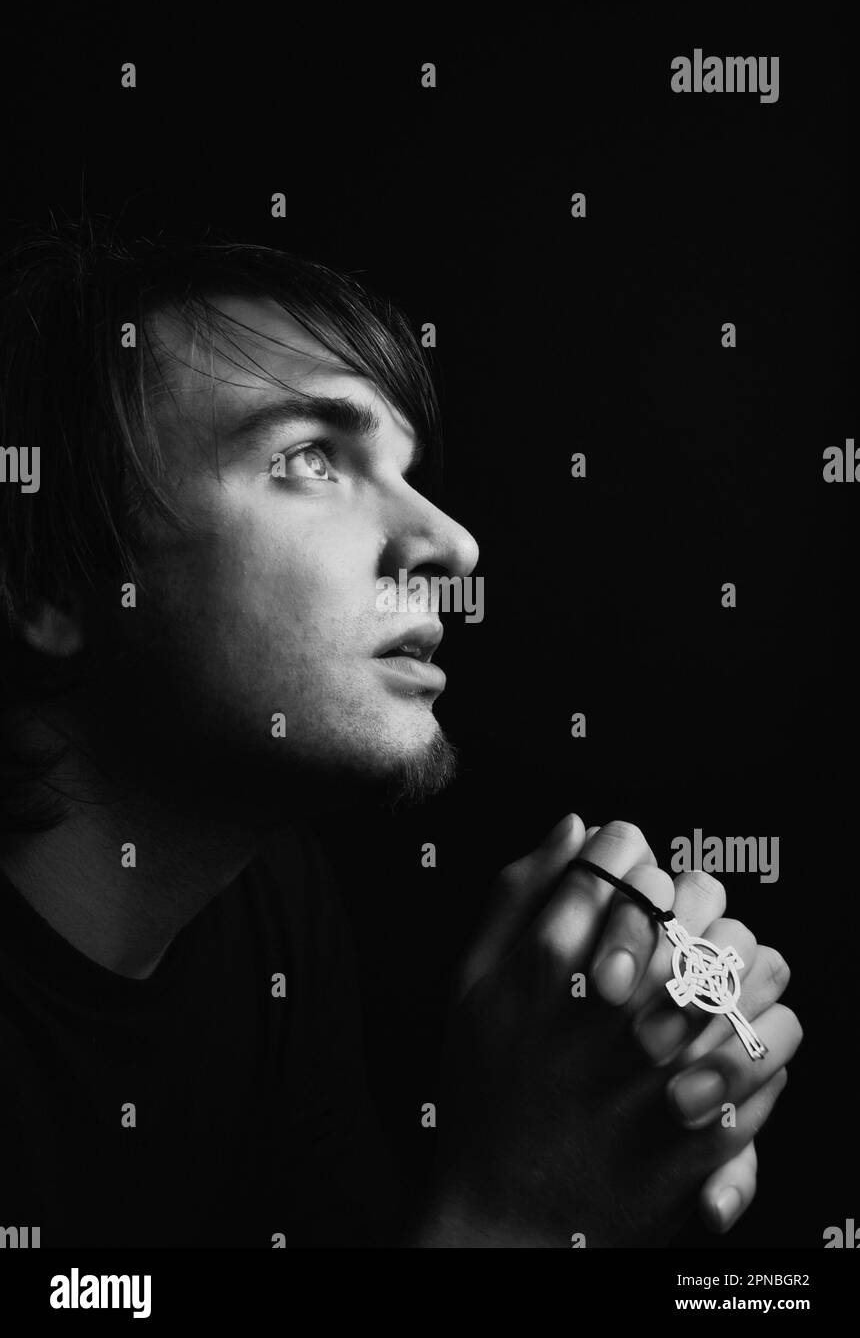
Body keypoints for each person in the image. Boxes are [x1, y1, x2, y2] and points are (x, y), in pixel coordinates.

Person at [0, 221, 802, 1248]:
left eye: (402, 466)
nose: (449, 544)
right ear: (49, 579)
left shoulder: (268, 907)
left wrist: (605, 1116)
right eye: (309, 458)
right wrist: (515, 1214)